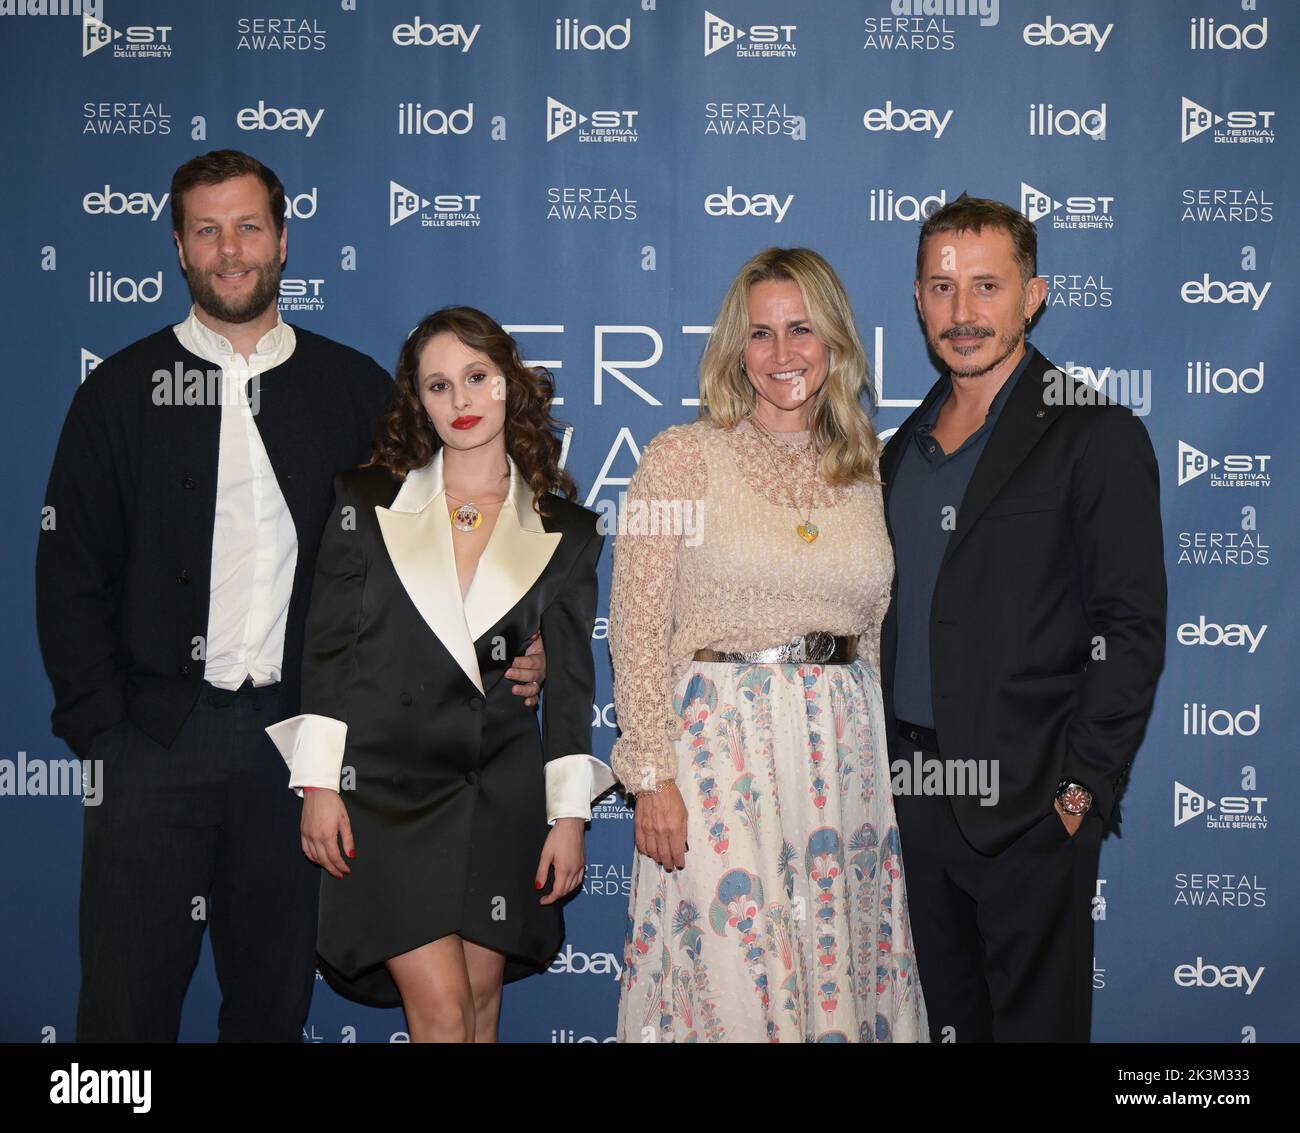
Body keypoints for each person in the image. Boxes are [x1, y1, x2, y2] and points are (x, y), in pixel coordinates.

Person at [34, 151, 547, 1042]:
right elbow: (70, 573)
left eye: (247, 227)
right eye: (207, 230)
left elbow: (425, 561)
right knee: (122, 1008)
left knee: (272, 1008)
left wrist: (508, 648)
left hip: (301, 752)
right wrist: (104, 730)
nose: (229, 249)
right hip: (150, 742)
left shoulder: (351, 391)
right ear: (180, 248)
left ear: (281, 238)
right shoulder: (117, 392)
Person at [265, 306, 612, 1043]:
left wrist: (571, 818)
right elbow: (328, 653)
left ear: (511, 384)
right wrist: (320, 784)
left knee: (480, 1010)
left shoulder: (567, 532)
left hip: (500, 798)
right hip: (386, 800)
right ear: (416, 402)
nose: (460, 401)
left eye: (477, 377)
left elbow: (574, 686)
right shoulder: (366, 502)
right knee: (445, 1015)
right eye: (438, 385)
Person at [610, 248, 928, 1043]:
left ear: (836, 345)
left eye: (801, 330)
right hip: (721, 758)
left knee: (837, 976)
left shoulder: (870, 474)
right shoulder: (677, 458)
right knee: (733, 984)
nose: (782, 353)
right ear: (734, 348)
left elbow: (877, 635)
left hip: (842, 763)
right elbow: (637, 621)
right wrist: (651, 773)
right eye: (760, 333)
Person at [881, 195, 1166, 1042]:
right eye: (941, 287)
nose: (963, 313)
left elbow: (1132, 626)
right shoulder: (902, 449)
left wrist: (1079, 793)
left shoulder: (1093, 433)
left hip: (1032, 808)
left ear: (1033, 295)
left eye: (986, 286)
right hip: (914, 802)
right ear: (919, 299)